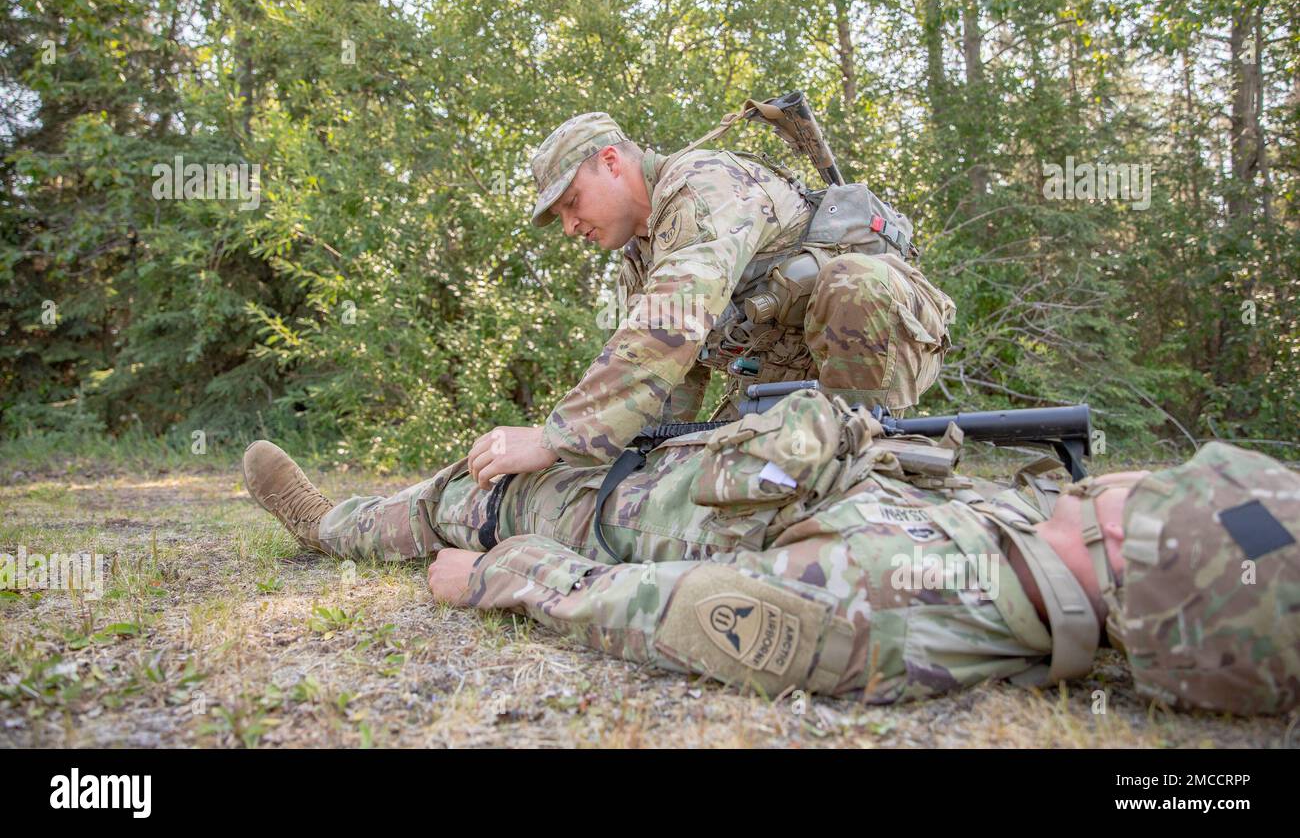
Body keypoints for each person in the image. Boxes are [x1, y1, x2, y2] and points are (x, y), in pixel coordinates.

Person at [242, 389, 1299, 715]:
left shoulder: (884, 609)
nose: (1119, 478)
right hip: (717, 476)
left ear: (1124, 538)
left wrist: (502, 577)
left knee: (462, 500)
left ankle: (330, 524)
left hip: (617, 525)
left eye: (1147, 488)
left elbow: (660, 605)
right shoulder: (1043, 559)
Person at [462, 111, 956, 488]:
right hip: (783, 381)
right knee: (709, 483)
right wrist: (635, 460)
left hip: (875, 342)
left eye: (572, 202)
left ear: (610, 163)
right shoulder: (640, 255)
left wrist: (557, 438)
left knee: (853, 282)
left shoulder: (702, 183)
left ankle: (871, 464)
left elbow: (671, 322)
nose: (571, 227)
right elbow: (672, 378)